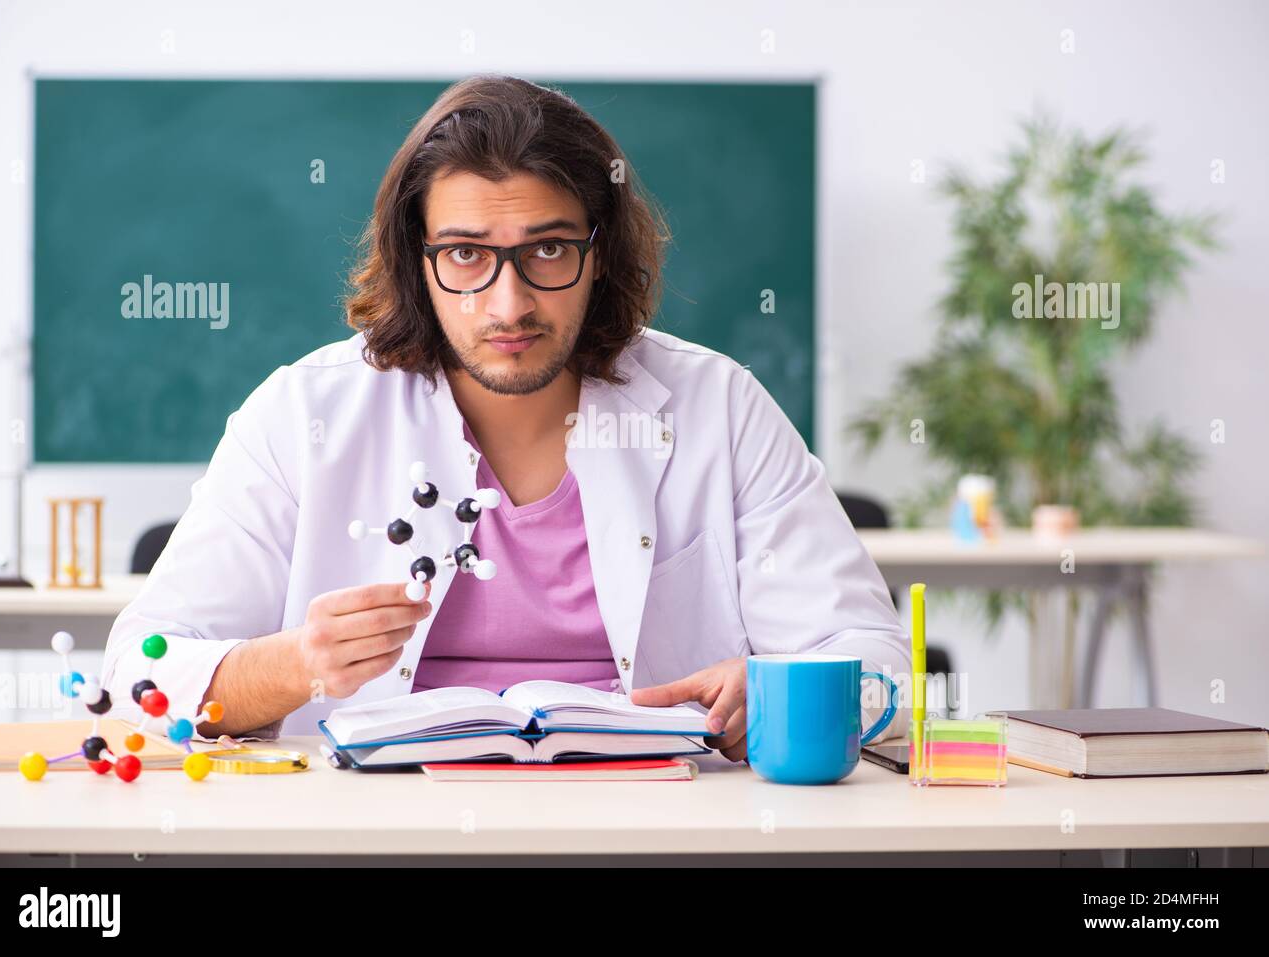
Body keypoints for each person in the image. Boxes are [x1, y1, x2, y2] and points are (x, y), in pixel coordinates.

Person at [103, 74, 909, 762]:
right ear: (417, 261)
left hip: (656, 829)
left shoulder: (720, 407)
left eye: (549, 249)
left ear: (601, 252)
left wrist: (766, 694)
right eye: (465, 254)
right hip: (380, 833)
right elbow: (135, 676)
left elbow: (877, 665)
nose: (509, 302)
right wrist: (292, 665)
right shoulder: (304, 411)